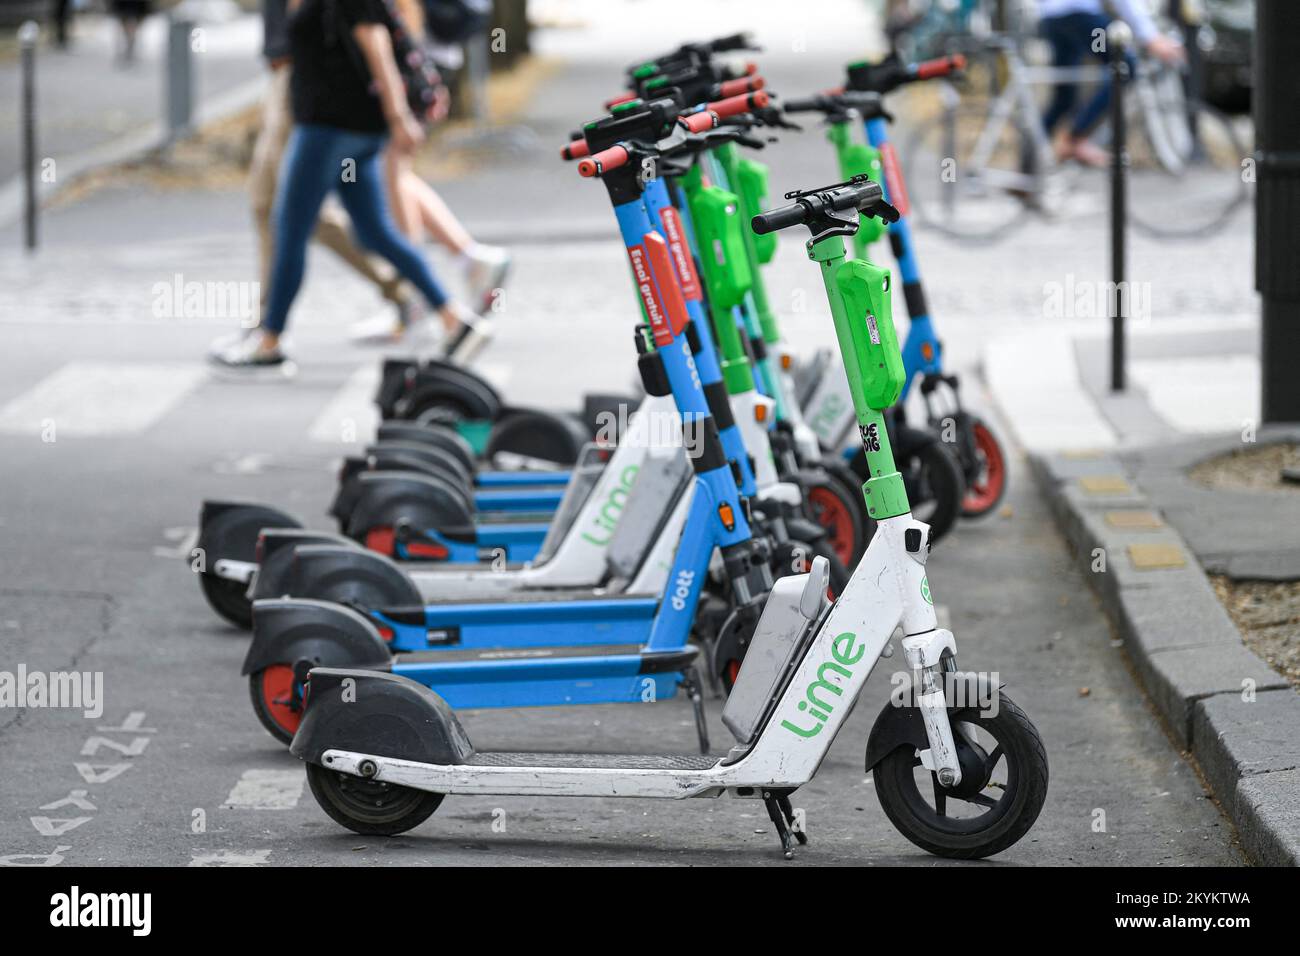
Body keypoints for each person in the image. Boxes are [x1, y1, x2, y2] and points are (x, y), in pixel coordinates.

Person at [211, 0, 482, 371]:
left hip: (329, 129)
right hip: (354, 131)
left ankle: (270, 339)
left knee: (289, 229)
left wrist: (399, 116)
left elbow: (375, 41)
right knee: (374, 233)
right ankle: (454, 319)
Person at [245, 0, 418, 349]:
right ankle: (267, 325)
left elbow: (374, 32)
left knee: (299, 216)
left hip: (311, 86)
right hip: (289, 74)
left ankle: (269, 332)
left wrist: (398, 115)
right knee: (268, 203)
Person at [350, 0, 509, 344]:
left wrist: (405, 67)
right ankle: (467, 260)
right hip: (424, 59)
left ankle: (418, 294)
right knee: (395, 173)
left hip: (411, 61)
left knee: (390, 172)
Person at [1038, 0, 1185, 167]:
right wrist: (1151, 37)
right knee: (1123, 66)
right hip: (1082, 18)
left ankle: (1028, 167)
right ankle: (1076, 137)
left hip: (1052, 20)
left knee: (1064, 97)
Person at [109, 0, 151, 65]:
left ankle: (129, 47)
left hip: (133, 12)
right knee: (127, 33)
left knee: (130, 32)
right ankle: (128, 47)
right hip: (126, 12)